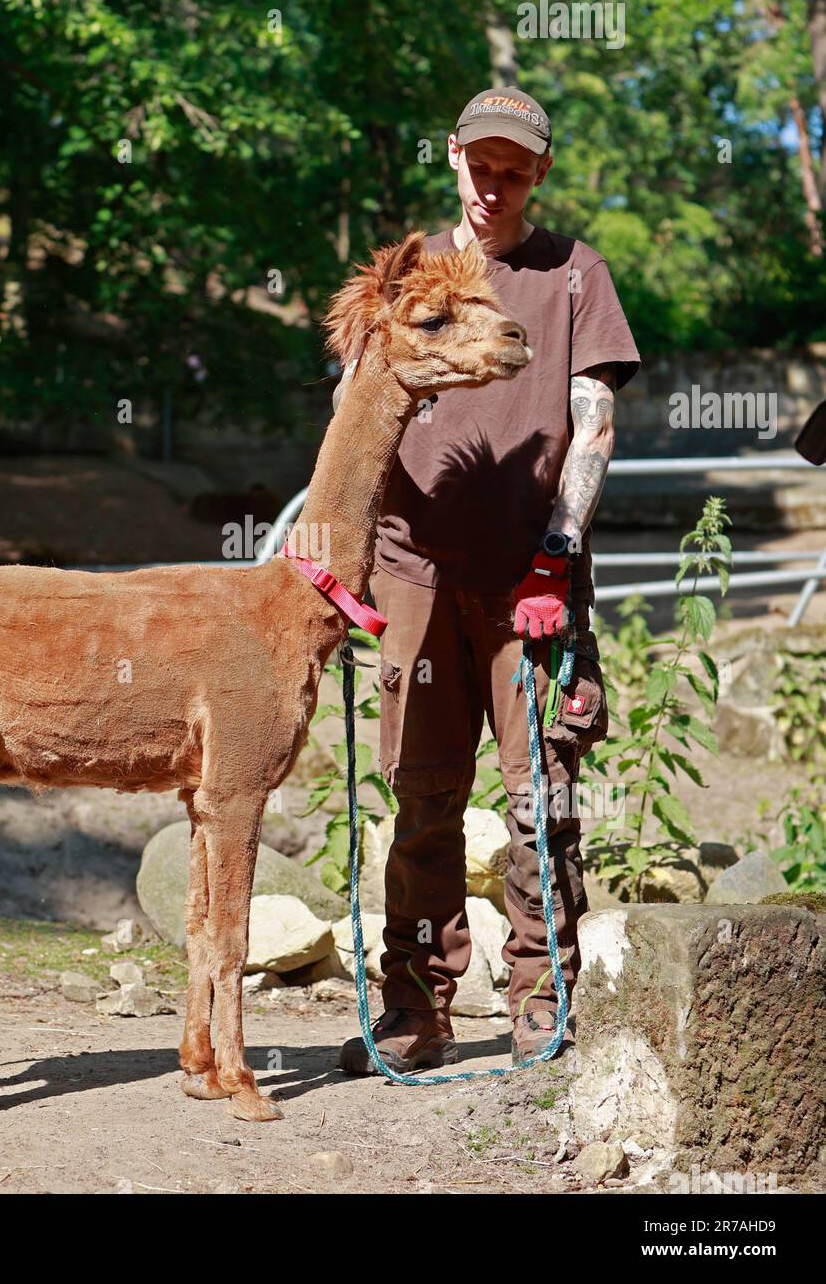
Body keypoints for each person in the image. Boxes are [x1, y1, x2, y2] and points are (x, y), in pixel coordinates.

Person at [335, 87, 640, 1071]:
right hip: (412, 573)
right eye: (479, 164)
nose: (492, 185)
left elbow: (591, 423)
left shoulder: (573, 277)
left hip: (528, 581)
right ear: (454, 158)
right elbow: (358, 421)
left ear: (538, 175)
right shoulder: (412, 274)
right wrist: (344, 572)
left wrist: (555, 556)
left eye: (513, 169)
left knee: (537, 798)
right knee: (420, 795)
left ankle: (538, 1002)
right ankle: (415, 1012)